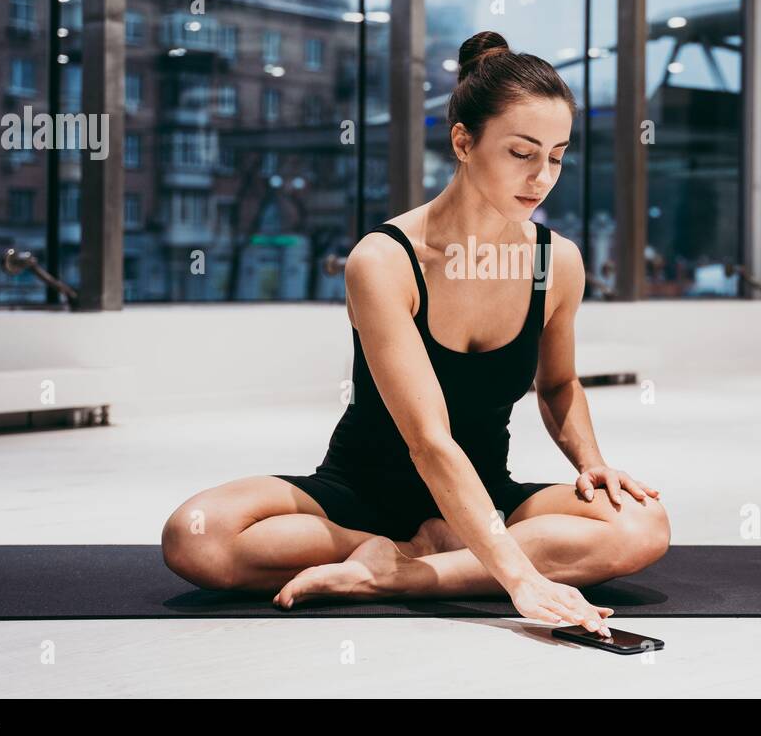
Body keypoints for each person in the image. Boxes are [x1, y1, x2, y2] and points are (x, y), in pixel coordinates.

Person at [162, 31, 669, 636]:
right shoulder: (385, 260)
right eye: (521, 152)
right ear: (463, 141)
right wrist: (520, 578)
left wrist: (593, 464)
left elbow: (558, 385)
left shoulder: (555, 262)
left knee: (643, 524)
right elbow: (428, 442)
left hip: (483, 496)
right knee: (196, 536)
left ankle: (399, 570)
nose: (541, 177)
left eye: (556, 156)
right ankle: (403, 547)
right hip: (359, 495)